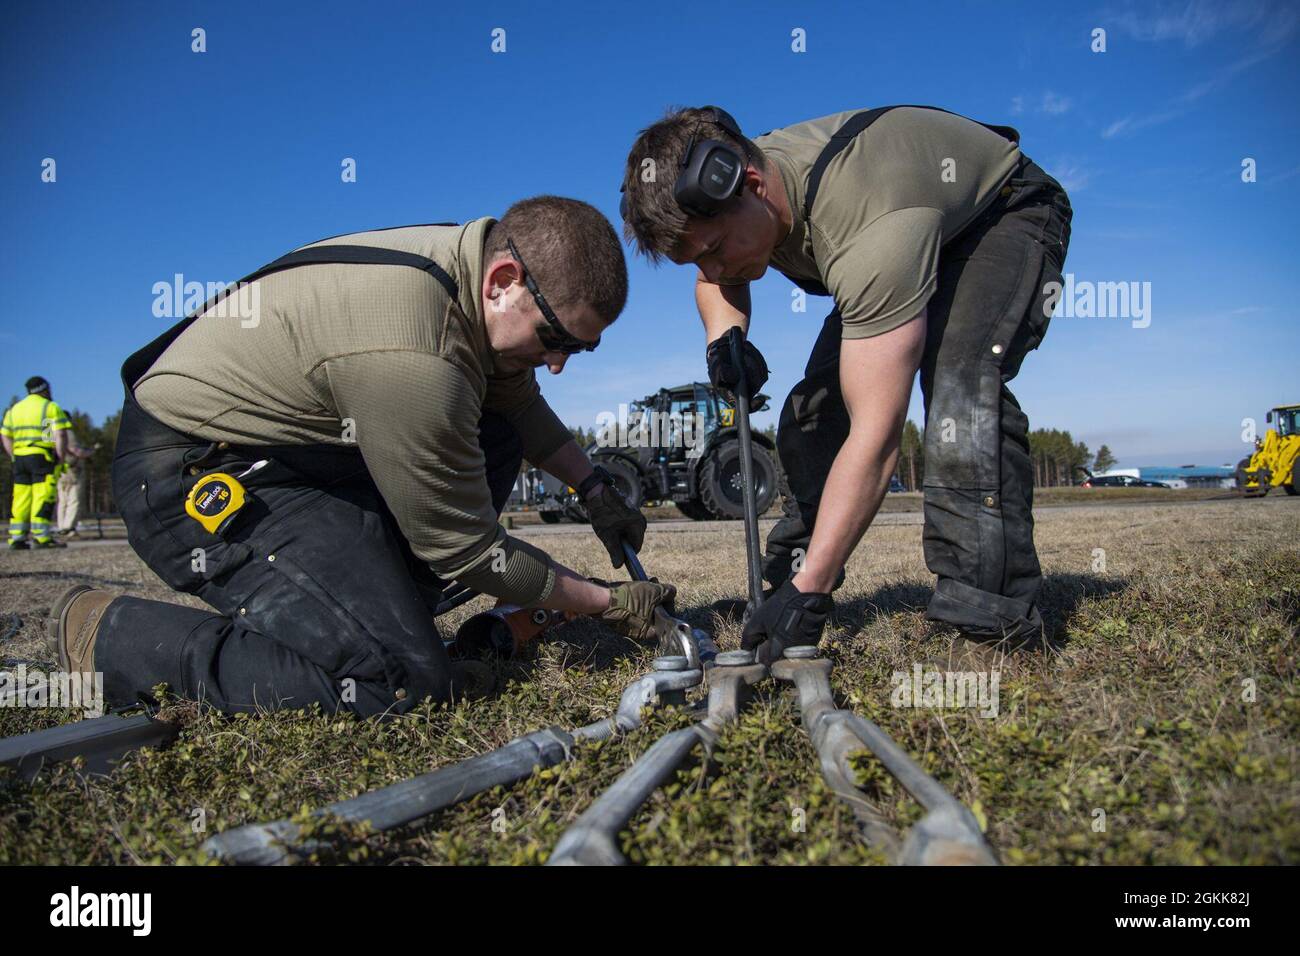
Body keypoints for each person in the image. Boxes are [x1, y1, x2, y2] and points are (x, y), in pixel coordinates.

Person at [51, 197, 673, 716]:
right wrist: (605, 601)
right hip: (192, 471)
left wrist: (592, 487)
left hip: (288, 454)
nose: (560, 362)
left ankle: (377, 613)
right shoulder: (417, 351)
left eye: (579, 350)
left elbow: (518, 404)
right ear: (503, 281)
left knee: (496, 431)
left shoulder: (463, 273)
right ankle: (115, 638)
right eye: (555, 339)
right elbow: (465, 548)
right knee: (400, 679)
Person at [620, 105, 1072, 663]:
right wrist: (725, 339)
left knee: (962, 391)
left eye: (713, 252)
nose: (710, 271)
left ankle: (989, 619)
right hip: (900, 228)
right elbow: (715, 278)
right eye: (696, 259)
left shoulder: (872, 228)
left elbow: (877, 435)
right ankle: (791, 576)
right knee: (811, 413)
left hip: (998, 215)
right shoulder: (734, 184)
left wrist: (816, 591)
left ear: (755, 185)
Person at [2, 376, 70, 550]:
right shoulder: (50, 407)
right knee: (43, 495)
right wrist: (60, 458)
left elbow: (5, 434)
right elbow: (60, 435)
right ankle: (41, 537)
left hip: (20, 458)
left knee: (21, 498)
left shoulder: (14, 409)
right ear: (45, 389)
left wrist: (13, 455)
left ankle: (17, 537)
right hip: (42, 457)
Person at [55, 430, 97, 538]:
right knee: (74, 499)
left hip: (59, 469)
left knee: (62, 501)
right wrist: (92, 451)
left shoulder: (50, 432)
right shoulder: (67, 432)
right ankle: (68, 527)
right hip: (72, 470)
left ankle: (61, 526)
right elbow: (76, 450)